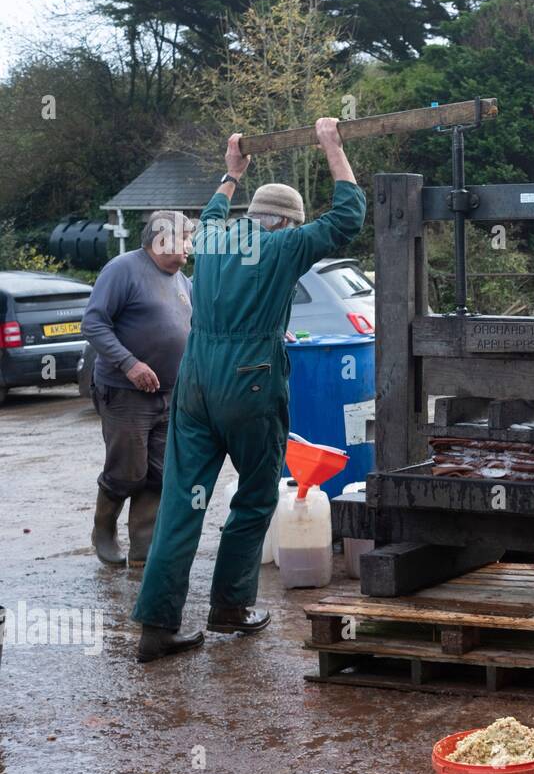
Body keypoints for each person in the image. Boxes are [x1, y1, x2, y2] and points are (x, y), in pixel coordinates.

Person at [131, 118, 366, 663]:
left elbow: (213, 210)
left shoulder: (212, 237)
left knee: (181, 503)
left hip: (194, 383)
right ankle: (230, 606)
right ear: (286, 223)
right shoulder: (285, 246)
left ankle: (157, 625)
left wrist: (230, 174)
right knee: (258, 493)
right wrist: (333, 146)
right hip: (249, 380)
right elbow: (349, 215)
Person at [82, 211, 195, 567]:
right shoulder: (123, 269)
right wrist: (130, 364)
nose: (190, 247)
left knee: (158, 473)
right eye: (185, 240)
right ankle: (103, 530)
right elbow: (93, 323)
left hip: (169, 393)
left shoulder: (182, 281)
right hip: (125, 392)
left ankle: (143, 549)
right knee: (128, 470)